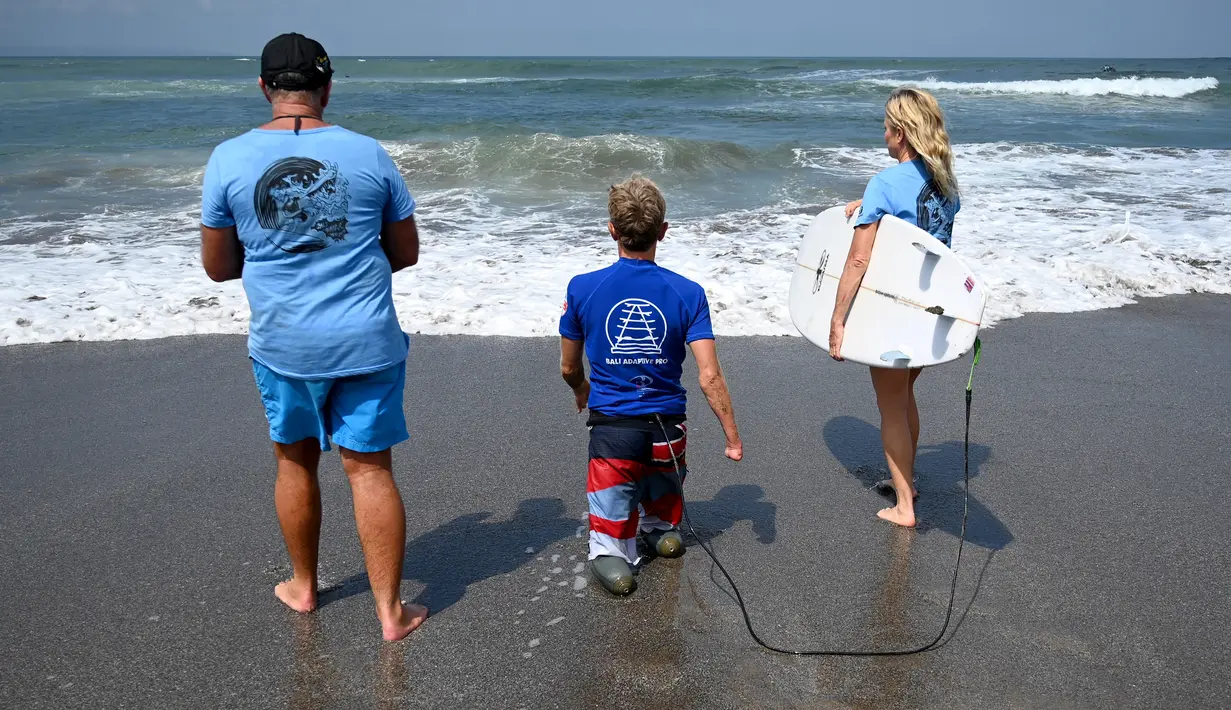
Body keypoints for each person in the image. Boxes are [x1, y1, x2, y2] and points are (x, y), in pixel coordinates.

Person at [199, 33, 427, 641]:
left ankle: (304, 586)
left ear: (265, 87)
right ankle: (389, 613)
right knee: (370, 470)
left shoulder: (227, 160)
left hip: (284, 343)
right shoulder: (370, 154)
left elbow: (219, 268)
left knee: (294, 462)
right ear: (328, 88)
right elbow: (405, 252)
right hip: (365, 338)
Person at [559, 175, 743, 596]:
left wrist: (580, 390)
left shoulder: (584, 287)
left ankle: (613, 552)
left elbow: (569, 367)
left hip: (614, 432)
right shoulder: (688, 292)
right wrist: (732, 437)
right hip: (669, 431)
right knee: (665, 479)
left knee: (613, 493)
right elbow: (709, 375)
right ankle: (662, 528)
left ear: (612, 230)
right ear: (662, 231)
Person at [830, 88, 961, 529]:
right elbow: (920, 241)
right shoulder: (945, 185)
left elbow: (860, 259)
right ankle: (908, 478)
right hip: (930, 313)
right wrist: (866, 209)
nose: (883, 134)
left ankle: (904, 506)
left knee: (890, 407)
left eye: (886, 127)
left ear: (900, 133)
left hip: (892, 314)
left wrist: (837, 318)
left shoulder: (884, 183)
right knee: (903, 396)